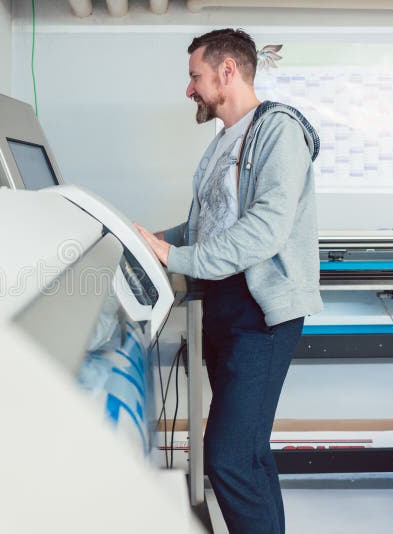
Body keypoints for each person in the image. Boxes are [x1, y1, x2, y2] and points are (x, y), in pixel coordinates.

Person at [135, 29, 323, 534]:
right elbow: (206, 228)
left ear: (227, 72)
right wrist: (148, 239)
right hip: (225, 307)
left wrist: (174, 254)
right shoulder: (224, 143)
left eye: (195, 77)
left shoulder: (279, 132)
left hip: (258, 315)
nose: (189, 90)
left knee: (228, 459)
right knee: (250, 454)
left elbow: (263, 230)